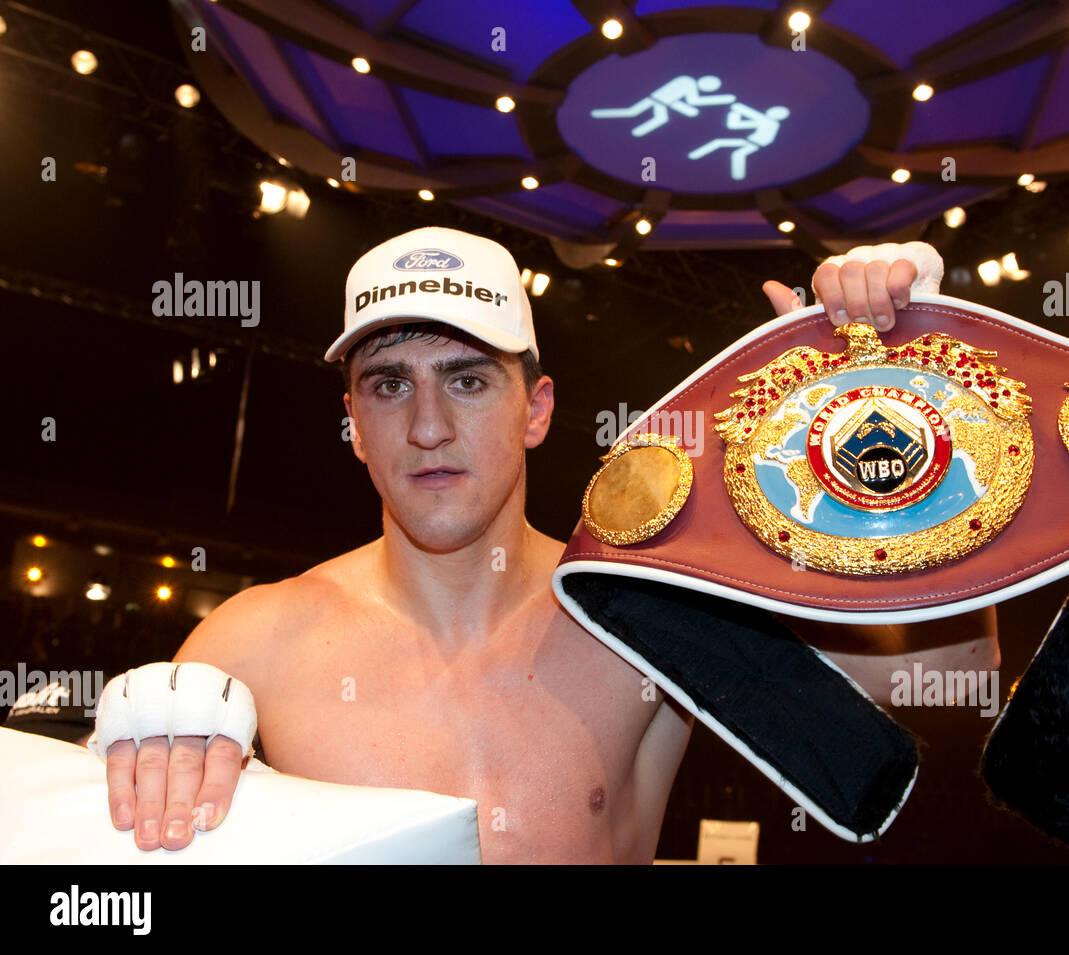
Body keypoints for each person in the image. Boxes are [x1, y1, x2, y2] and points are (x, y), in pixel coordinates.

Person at [98, 228, 996, 863]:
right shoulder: (247, 645)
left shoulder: (648, 610)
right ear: (355, 426)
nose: (428, 427)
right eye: (387, 384)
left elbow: (959, 676)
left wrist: (900, 385)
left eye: (467, 378)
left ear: (537, 409)